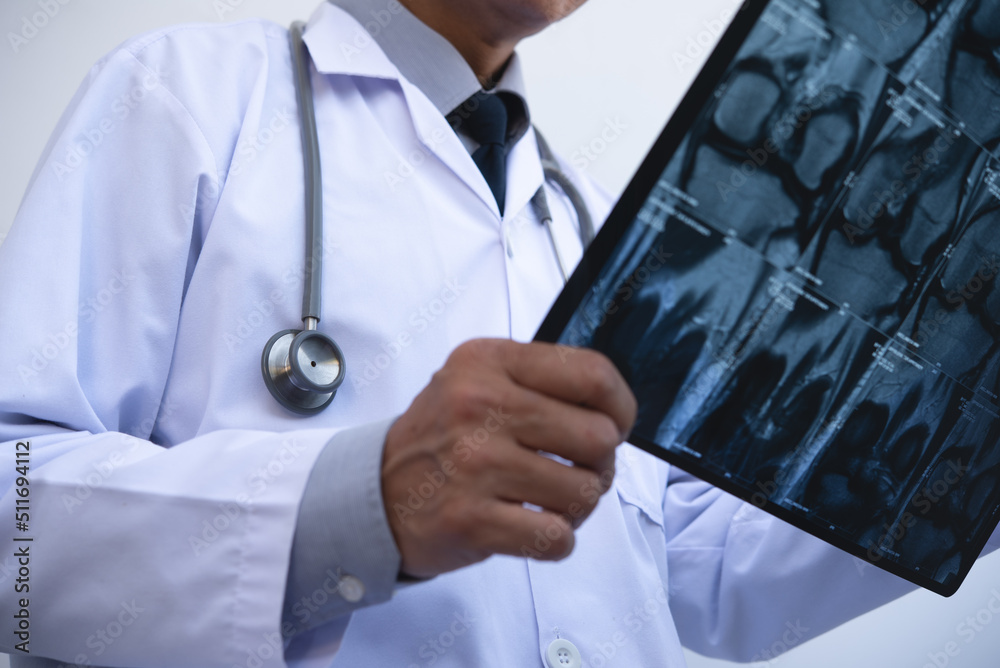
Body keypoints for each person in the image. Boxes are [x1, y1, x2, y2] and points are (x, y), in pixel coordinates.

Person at [0, 0, 992, 666]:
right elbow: (13, 528)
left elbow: (702, 572)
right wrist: (357, 509)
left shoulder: (592, 220)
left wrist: (964, 468)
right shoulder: (184, 95)